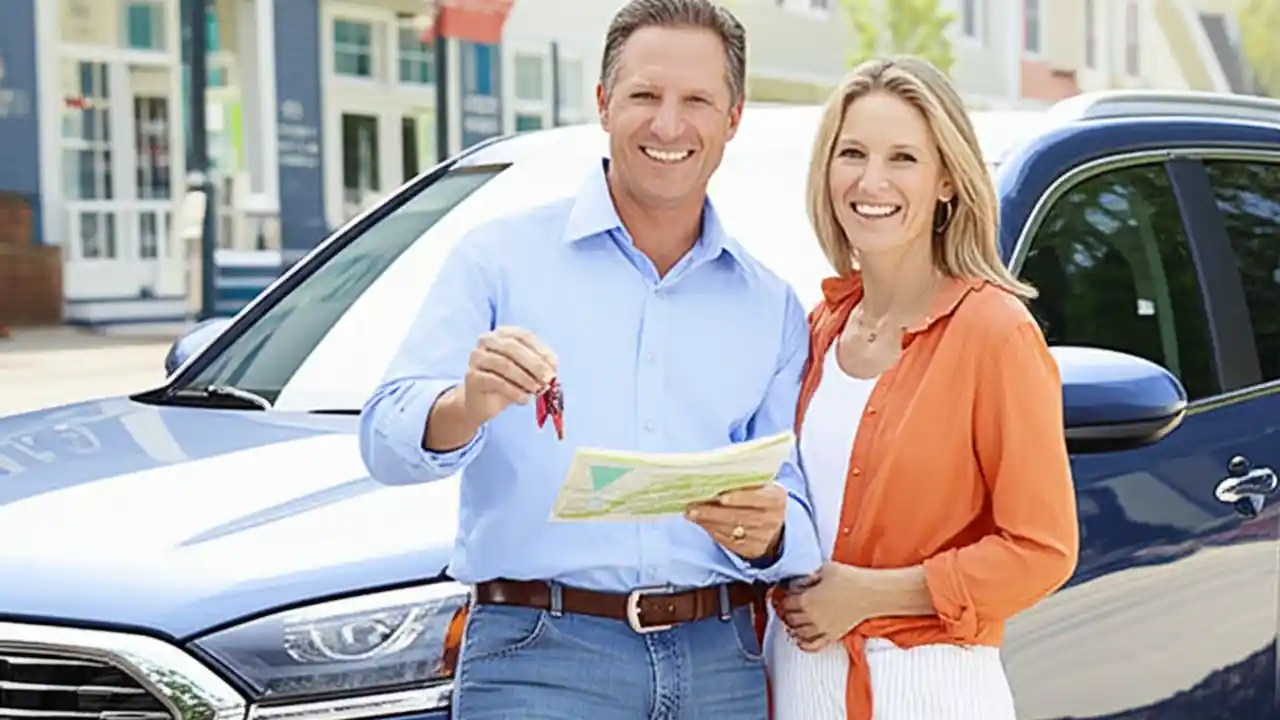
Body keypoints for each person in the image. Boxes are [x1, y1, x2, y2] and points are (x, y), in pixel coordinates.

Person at [359, 0, 822, 717]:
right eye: (644, 95)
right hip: (539, 658)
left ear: (732, 119)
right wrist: (466, 404)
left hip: (721, 661)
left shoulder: (773, 307)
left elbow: (793, 499)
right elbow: (385, 441)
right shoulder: (498, 260)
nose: (668, 125)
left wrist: (772, 534)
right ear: (604, 104)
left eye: (696, 100)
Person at [765, 56, 1080, 720]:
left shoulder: (995, 333)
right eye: (852, 153)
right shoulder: (816, 330)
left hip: (928, 689)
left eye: (903, 158)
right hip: (792, 681)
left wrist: (874, 594)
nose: (870, 181)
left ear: (946, 182)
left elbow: (1042, 551)